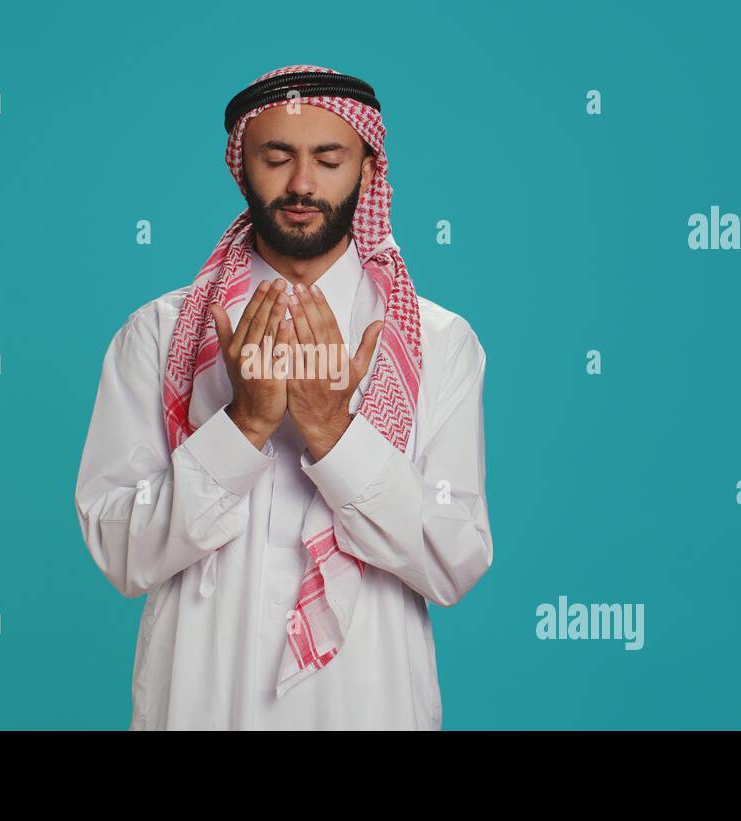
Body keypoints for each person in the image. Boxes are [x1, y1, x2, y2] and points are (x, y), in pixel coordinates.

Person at [74, 65, 494, 730]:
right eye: (277, 157)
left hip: (371, 700)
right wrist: (242, 425)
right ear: (240, 166)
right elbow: (121, 552)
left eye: (329, 158)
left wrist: (334, 433)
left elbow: (453, 559)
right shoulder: (157, 334)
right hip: (199, 697)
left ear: (367, 167)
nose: (302, 184)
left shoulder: (439, 344)